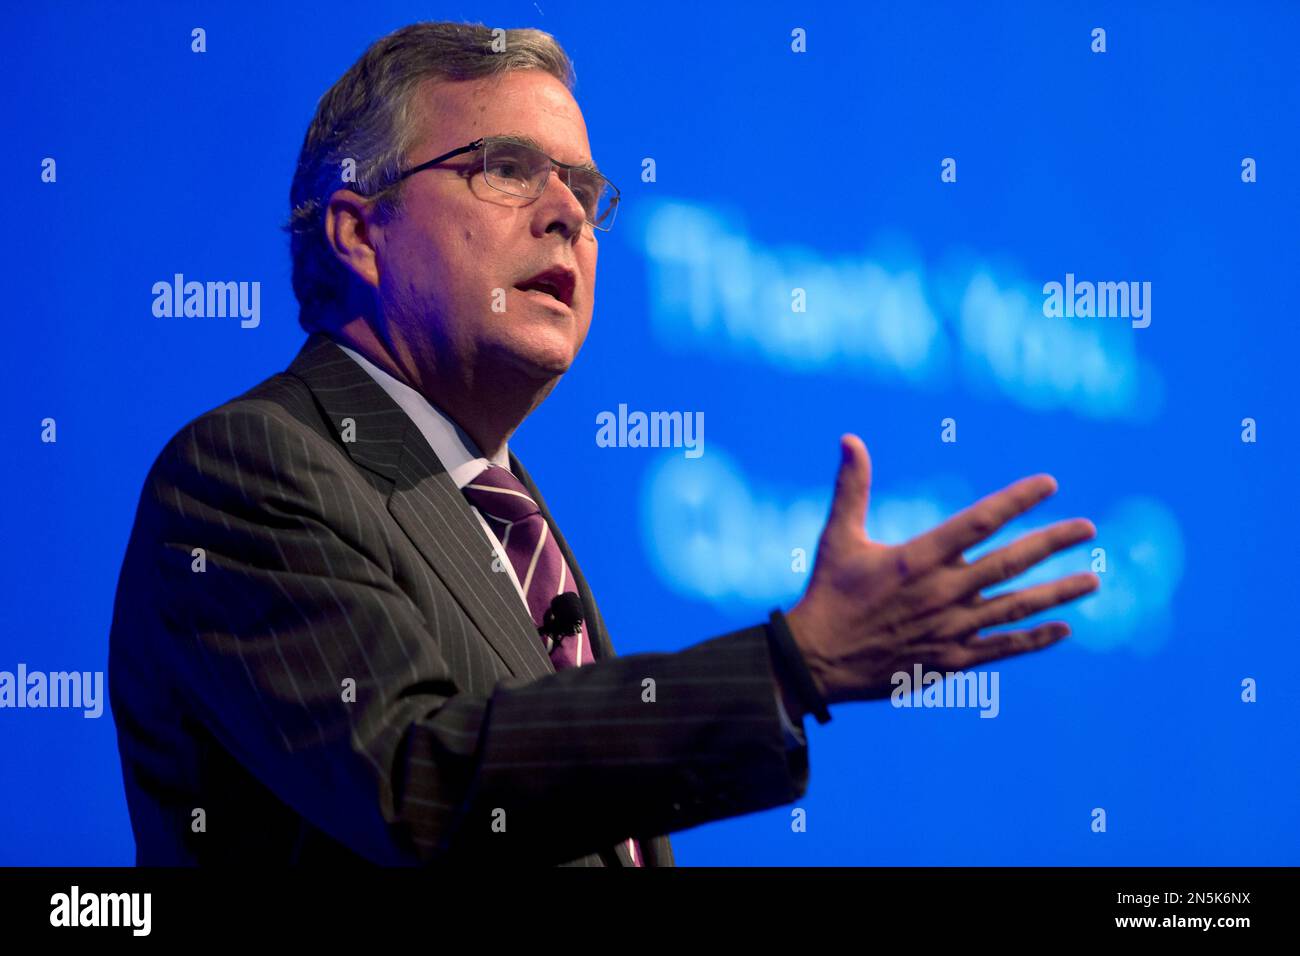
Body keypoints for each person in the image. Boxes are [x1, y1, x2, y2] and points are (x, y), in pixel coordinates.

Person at [108, 21, 1100, 867]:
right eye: (505, 168)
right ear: (358, 232)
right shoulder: (248, 467)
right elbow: (416, 783)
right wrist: (786, 668)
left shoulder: (507, 513)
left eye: (584, 189)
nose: (568, 212)